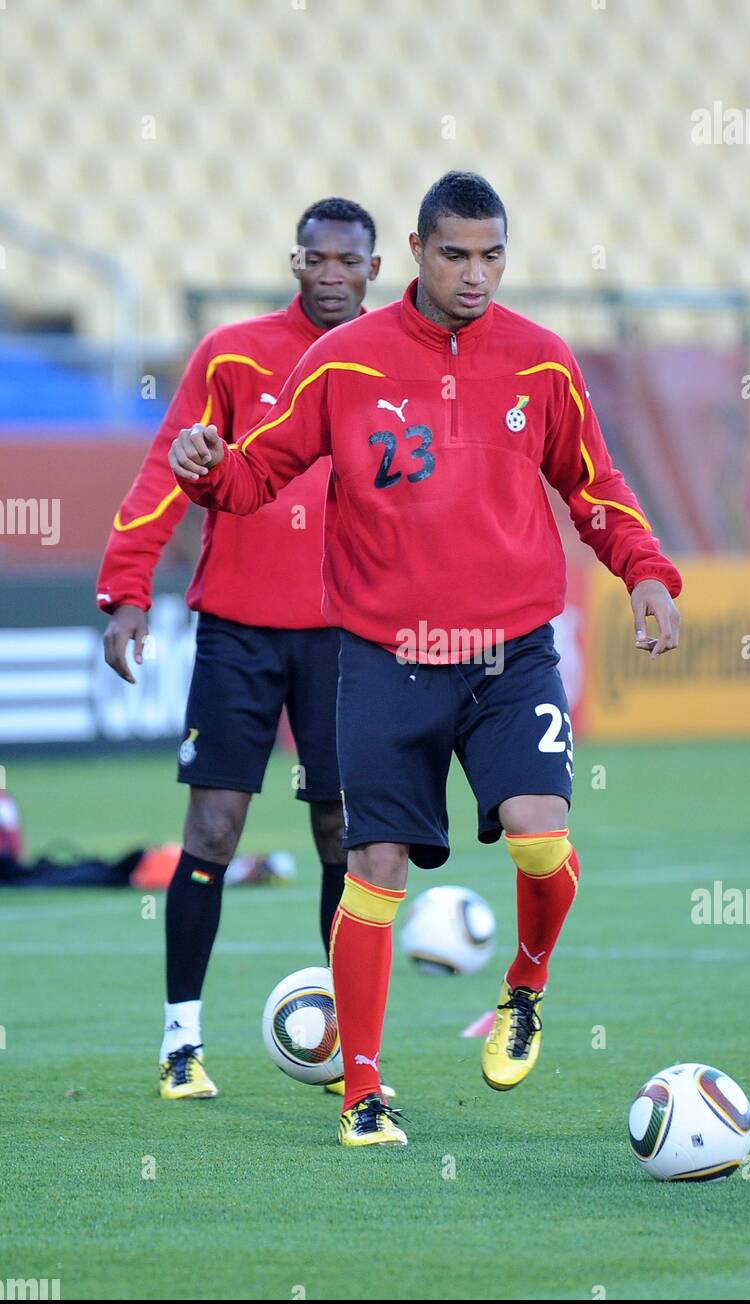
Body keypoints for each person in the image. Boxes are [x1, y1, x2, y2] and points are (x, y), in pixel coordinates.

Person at [170, 171, 682, 1144]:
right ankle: (362, 1090)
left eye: (493, 255)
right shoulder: (343, 362)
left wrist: (645, 571)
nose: (476, 273)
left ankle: (524, 985)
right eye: (456, 254)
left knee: (541, 837)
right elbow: (257, 472)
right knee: (374, 868)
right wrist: (209, 469)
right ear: (415, 250)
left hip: (510, 652)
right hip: (382, 658)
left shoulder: (542, 362)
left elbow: (594, 483)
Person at [98, 198, 381, 1100]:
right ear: (295, 262)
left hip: (347, 634)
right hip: (238, 631)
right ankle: (182, 1041)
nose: (332, 274)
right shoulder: (231, 354)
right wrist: (127, 589)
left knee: (343, 832)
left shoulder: (397, 363)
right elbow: (164, 471)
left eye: (349, 261)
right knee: (212, 832)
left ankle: (352, 1054)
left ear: (376, 268)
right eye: (317, 258)